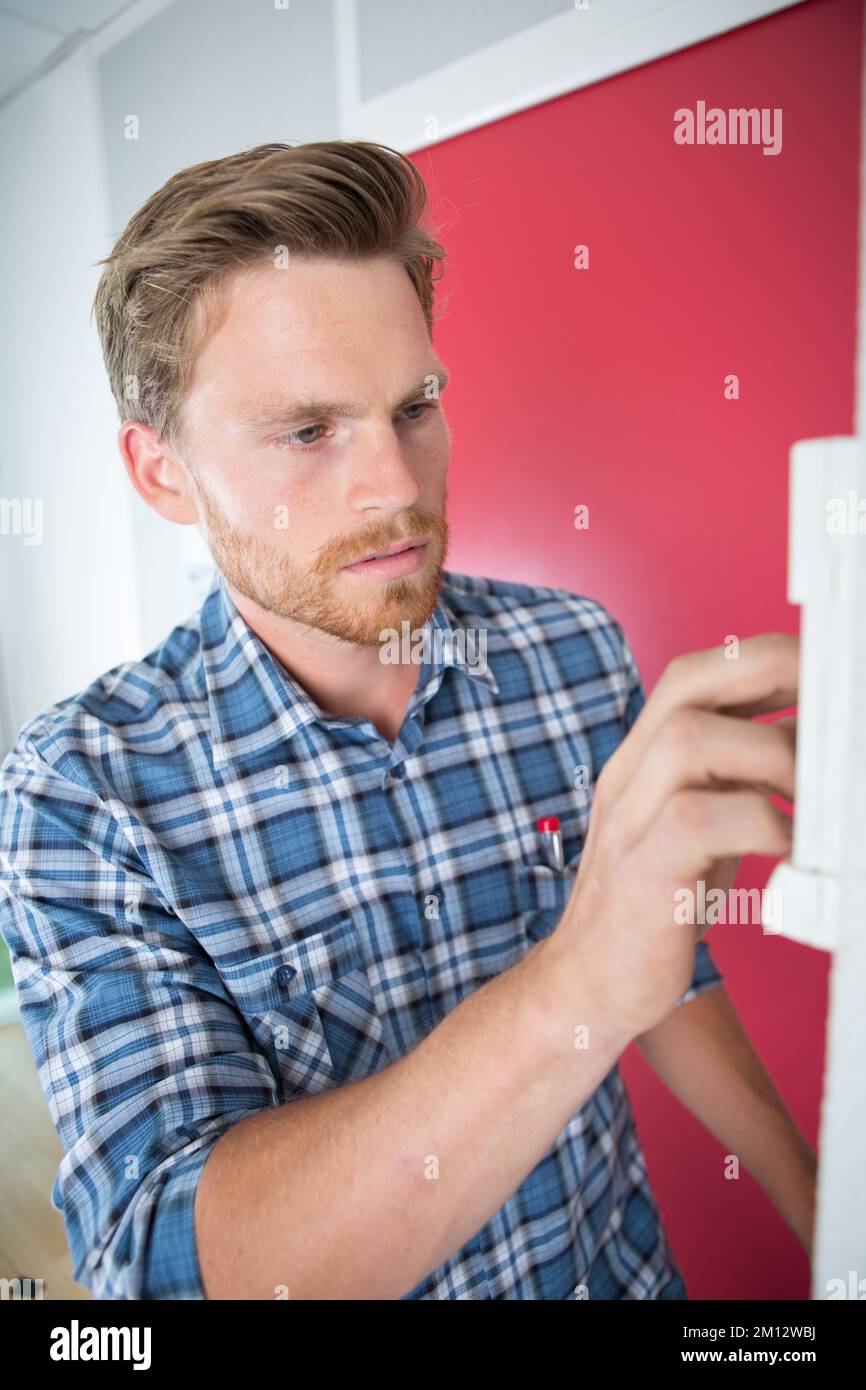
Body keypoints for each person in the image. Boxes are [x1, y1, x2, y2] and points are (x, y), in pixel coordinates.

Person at [0, 141, 815, 1300]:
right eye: (305, 431)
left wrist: (820, 1211)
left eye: (414, 405)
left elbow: (663, 969)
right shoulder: (81, 792)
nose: (396, 485)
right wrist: (571, 981)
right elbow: (164, 1268)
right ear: (162, 473)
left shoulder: (570, 649)